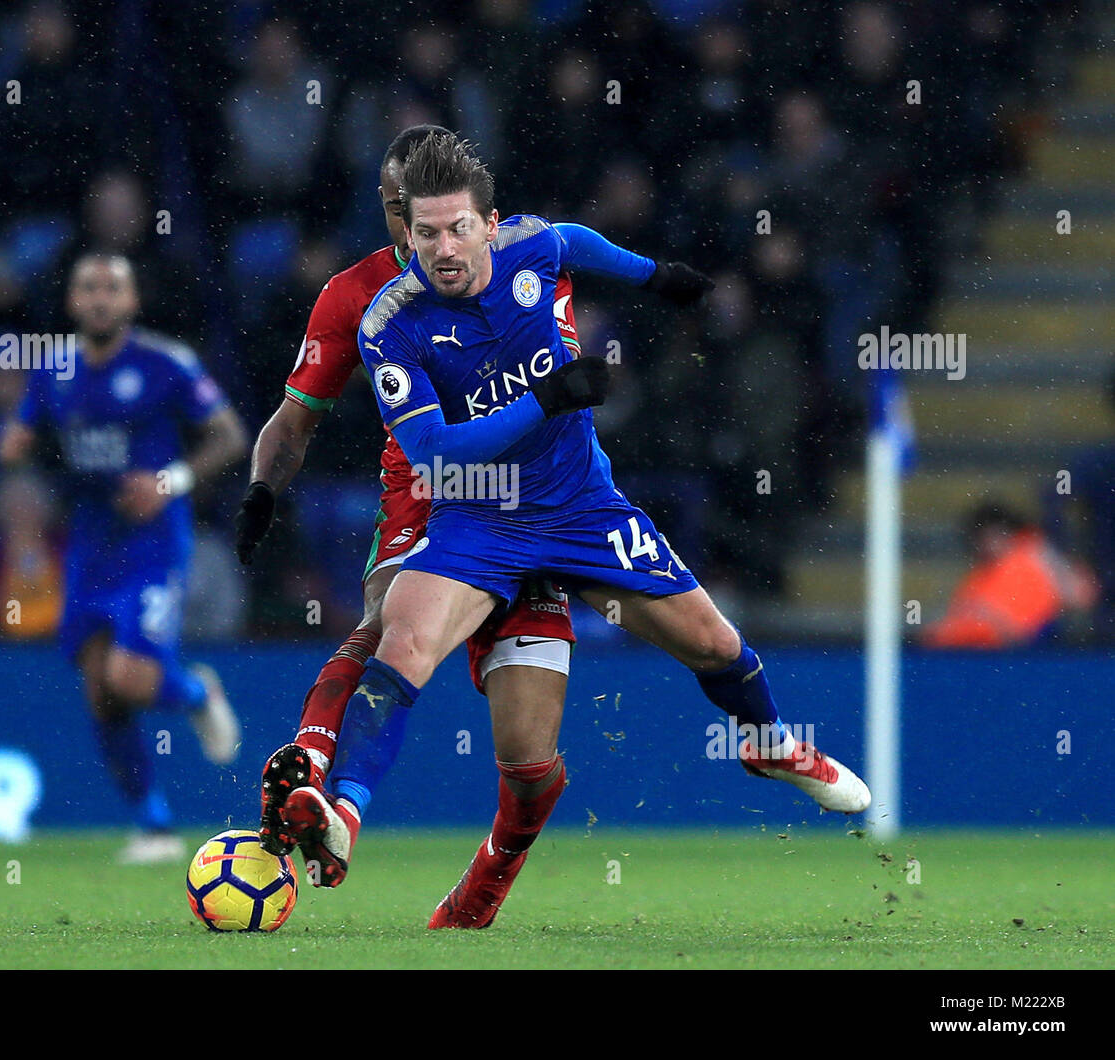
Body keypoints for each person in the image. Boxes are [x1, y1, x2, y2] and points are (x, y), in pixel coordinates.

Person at [276, 133, 871, 909]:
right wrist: (547, 398)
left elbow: (576, 242)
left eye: (458, 228)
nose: (443, 248)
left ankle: (771, 744)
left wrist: (656, 275)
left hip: (580, 507)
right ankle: (345, 810)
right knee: (405, 637)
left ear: (491, 224)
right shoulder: (393, 320)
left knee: (717, 644)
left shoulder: (531, 246)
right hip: (479, 516)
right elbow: (432, 451)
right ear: (409, 234)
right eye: (426, 234)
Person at [236, 125, 586, 928]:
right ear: (389, 208)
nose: (415, 227)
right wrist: (260, 492)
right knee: (389, 617)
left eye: (432, 213)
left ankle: (484, 886)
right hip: (430, 490)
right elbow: (294, 421)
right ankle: (315, 770)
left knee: (531, 761)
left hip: (527, 501)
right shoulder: (356, 296)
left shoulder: (526, 258)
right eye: (401, 211)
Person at [0, 254, 247, 863]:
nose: (101, 298)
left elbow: (231, 436)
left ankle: (195, 694)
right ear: (72, 302)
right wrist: (14, 447)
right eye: (89, 288)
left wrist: (172, 480)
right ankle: (155, 826)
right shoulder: (53, 373)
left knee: (129, 676)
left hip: (154, 542)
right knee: (100, 692)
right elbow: (21, 438)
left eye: (113, 288)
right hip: (88, 543)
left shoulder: (166, 364)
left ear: (133, 302)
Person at [921, 501, 1097, 649]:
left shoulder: (1035, 553)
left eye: (991, 536)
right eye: (981, 539)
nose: (987, 544)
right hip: (980, 649)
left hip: (1031, 651)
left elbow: (1081, 595)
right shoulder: (983, 573)